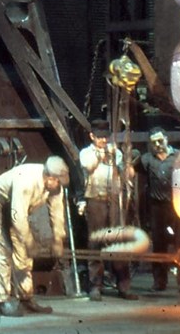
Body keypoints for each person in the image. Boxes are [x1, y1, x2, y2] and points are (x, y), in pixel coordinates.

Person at [0, 155, 69, 317]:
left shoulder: (55, 186)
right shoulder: (26, 182)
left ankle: (25, 298)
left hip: (16, 209)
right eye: (57, 181)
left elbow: (57, 213)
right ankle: (3, 302)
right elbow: (18, 217)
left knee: (24, 253)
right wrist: (30, 242)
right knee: (4, 251)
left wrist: (58, 240)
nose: (59, 185)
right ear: (49, 177)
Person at [78, 119, 135, 300]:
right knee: (95, 242)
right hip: (95, 200)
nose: (103, 141)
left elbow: (127, 175)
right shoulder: (86, 153)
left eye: (105, 137)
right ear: (92, 136)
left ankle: (124, 286)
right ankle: (96, 286)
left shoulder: (115, 152)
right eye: (100, 137)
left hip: (114, 200)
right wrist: (102, 154)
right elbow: (88, 166)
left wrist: (126, 161)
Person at [136, 129, 179, 291]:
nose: (157, 145)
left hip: (176, 206)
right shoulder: (147, 159)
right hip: (157, 207)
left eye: (160, 141)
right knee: (159, 245)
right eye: (153, 142)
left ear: (166, 139)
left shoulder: (178, 157)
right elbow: (132, 171)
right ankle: (160, 281)